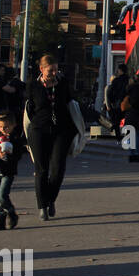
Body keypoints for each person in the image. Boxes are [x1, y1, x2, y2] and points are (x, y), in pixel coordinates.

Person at [23, 54, 84, 221]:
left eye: (56, 70)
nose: (54, 73)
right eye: (50, 70)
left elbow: (73, 103)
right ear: (41, 69)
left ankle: (51, 199)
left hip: (61, 130)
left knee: (58, 168)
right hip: (39, 130)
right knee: (41, 169)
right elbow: (28, 108)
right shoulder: (33, 86)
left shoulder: (63, 84)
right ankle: (42, 205)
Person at [122, 71, 139, 163]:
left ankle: (131, 154)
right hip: (136, 115)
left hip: (129, 115)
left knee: (130, 135)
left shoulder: (129, 89)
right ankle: (137, 154)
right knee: (137, 134)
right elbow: (137, 102)